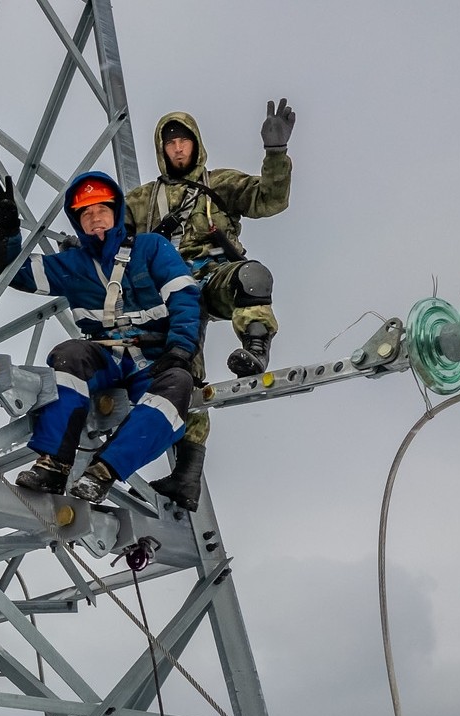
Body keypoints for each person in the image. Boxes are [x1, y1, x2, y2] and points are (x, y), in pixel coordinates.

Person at [0, 170, 203, 505]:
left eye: (101, 210)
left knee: (176, 387)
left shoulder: (150, 249)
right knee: (70, 354)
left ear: (116, 212)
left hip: (153, 359)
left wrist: (180, 348)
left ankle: (104, 470)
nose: (95, 218)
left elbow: (184, 297)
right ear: (78, 223)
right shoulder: (74, 264)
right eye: (86, 214)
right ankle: (54, 464)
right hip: (106, 358)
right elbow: (17, 274)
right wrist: (7, 230)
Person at [123, 99, 295, 511]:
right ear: (161, 150)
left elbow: (269, 200)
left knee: (251, 276)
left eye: (183, 141)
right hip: (169, 294)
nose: (178, 149)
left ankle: (255, 351)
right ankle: (187, 476)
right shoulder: (143, 201)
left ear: (195, 144)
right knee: (181, 376)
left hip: (212, 276)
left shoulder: (219, 184)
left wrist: (276, 154)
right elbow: (107, 235)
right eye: (171, 144)